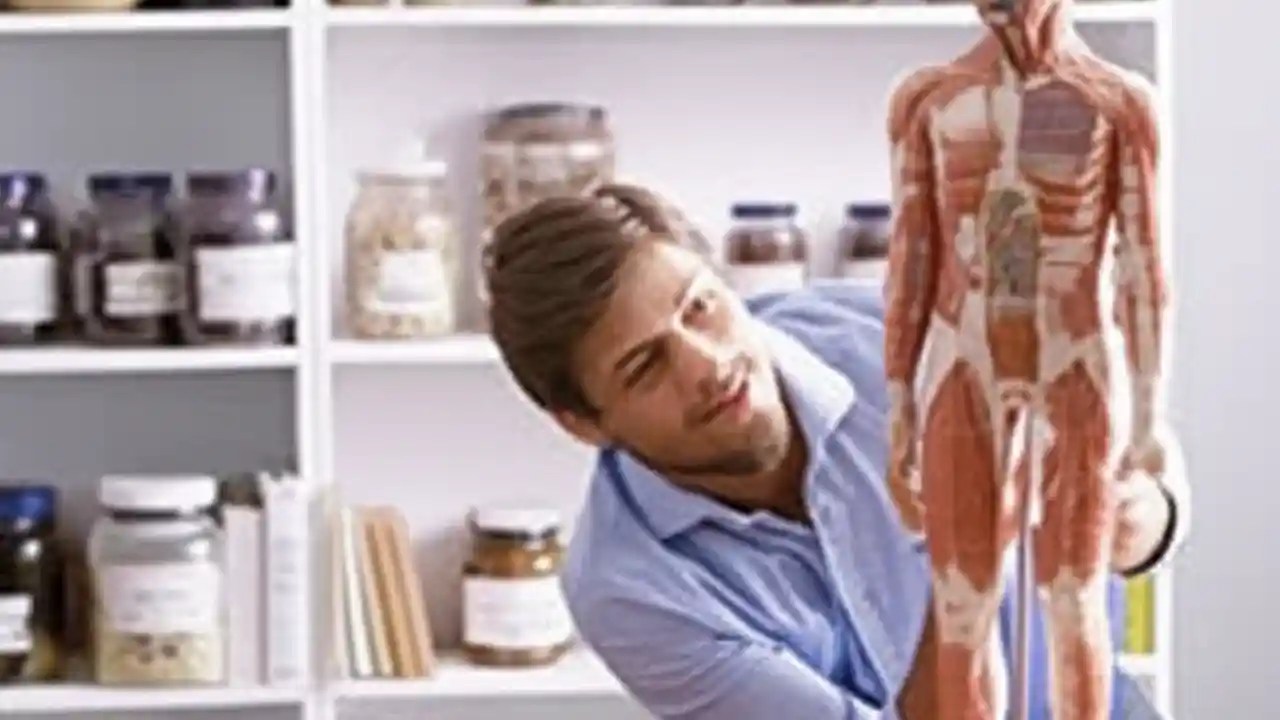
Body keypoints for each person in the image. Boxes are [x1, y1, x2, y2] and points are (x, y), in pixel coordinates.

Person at [481, 183, 1188, 720]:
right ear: (583, 424)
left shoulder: (896, 335)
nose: (708, 365)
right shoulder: (631, 591)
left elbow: (1128, 444)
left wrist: (1146, 518)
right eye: (645, 367)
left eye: (700, 306)